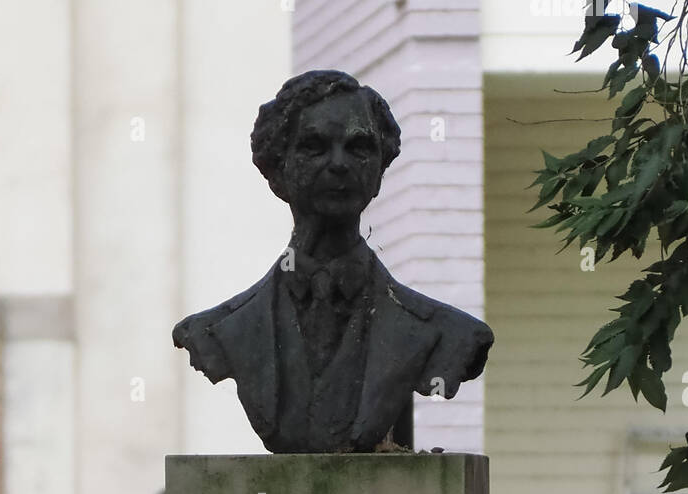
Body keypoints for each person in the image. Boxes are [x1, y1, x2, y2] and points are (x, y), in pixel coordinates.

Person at [173, 69, 493, 452]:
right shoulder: (217, 332)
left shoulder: (446, 334)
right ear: (277, 170)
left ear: (379, 172)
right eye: (315, 146)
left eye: (358, 147)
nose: (339, 163)